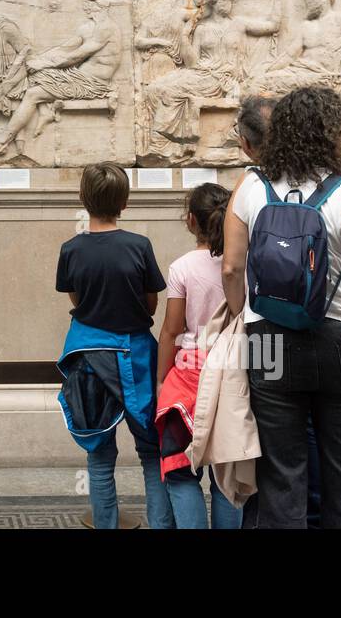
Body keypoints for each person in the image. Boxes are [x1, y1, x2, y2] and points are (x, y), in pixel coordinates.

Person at [221, 87, 341, 528]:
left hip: (268, 343)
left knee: (280, 472)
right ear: (330, 134)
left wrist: (244, 319)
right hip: (338, 340)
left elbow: (231, 269)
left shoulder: (251, 185)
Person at [55, 163, 175, 529]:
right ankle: (161, 524)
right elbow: (151, 302)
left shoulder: (71, 249)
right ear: (124, 202)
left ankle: (105, 523)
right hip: (136, 355)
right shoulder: (139, 245)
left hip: (88, 356)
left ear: (81, 198)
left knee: (100, 454)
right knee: (152, 453)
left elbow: (75, 299)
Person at [154, 182, 243, 528]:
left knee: (179, 472)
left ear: (191, 220)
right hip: (231, 377)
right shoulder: (243, 264)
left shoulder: (182, 268)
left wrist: (162, 380)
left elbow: (171, 330)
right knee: (227, 477)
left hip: (187, 380)